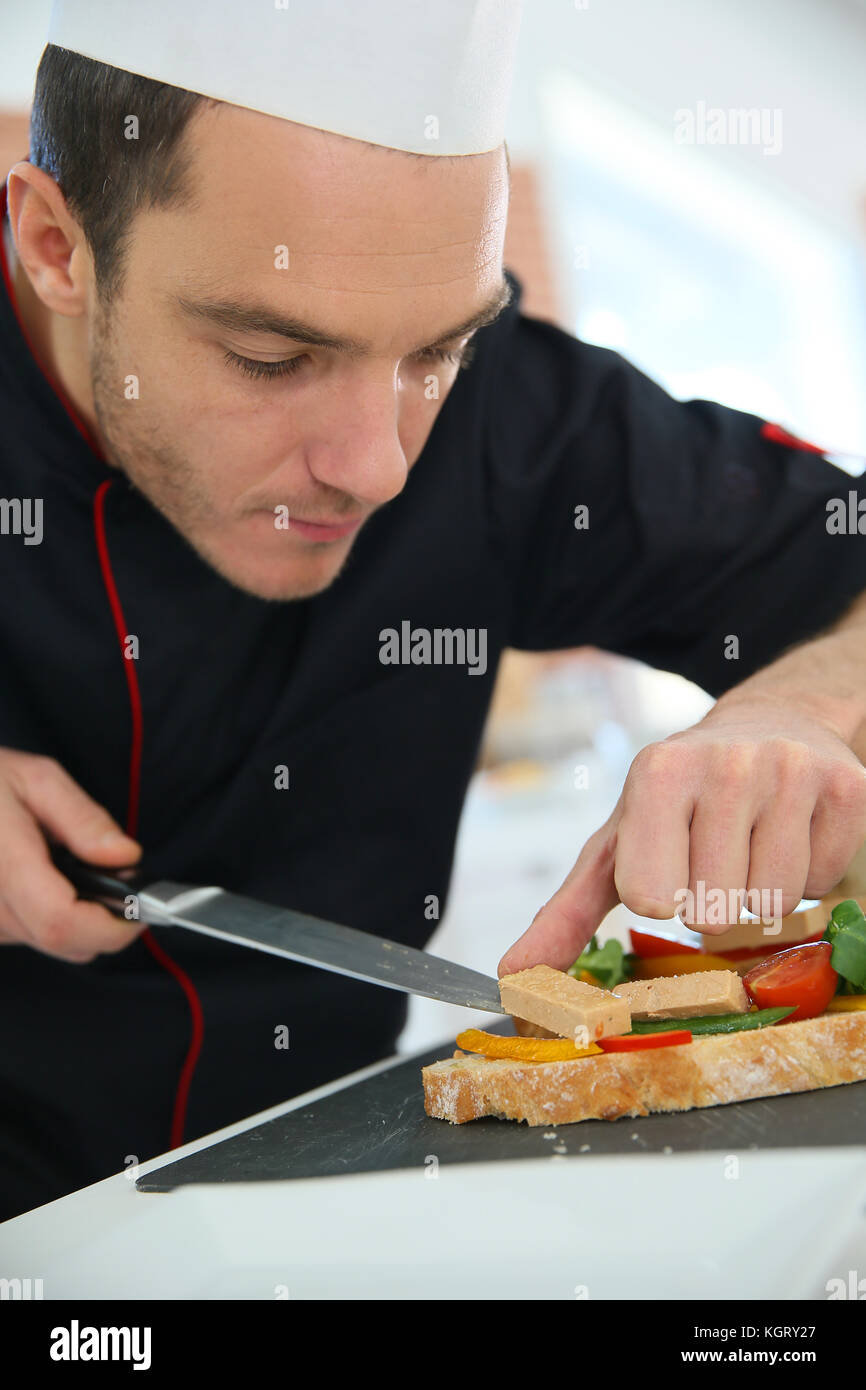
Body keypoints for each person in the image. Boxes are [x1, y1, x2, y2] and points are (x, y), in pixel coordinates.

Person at [1, 4, 865, 1220]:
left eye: (434, 351)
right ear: (55, 244)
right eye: (269, 355)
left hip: (335, 1208)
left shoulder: (520, 422)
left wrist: (802, 702)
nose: (377, 464)